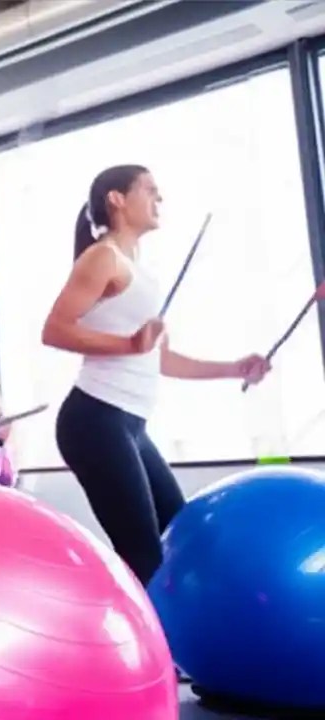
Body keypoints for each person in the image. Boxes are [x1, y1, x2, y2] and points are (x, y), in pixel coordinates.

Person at [42, 164, 269, 588]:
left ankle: (173, 628)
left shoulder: (140, 270)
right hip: (94, 419)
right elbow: (54, 330)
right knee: (143, 555)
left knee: (177, 531)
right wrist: (129, 344)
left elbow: (159, 360)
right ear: (117, 199)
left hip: (129, 424)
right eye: (149, 189)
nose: (158, 198)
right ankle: (138, 632)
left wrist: (233, 369)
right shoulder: (103, 257)